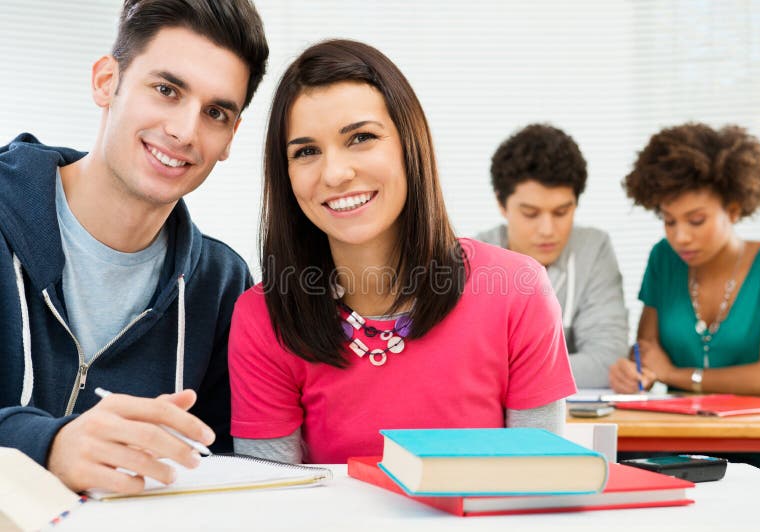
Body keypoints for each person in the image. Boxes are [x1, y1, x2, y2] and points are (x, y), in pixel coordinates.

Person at [228, 39, 576, 464]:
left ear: (410, 144)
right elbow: (272, 496)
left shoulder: (517, 292)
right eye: (306, 151)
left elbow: (539, 482)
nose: (335, 173)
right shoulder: (263, 319)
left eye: (361, 137)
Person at [0, 0, 269, 495]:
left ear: (231, 137)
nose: (184, 131)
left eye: (215, 113)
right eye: (166, 90)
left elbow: (222, 474)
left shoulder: (222, 285)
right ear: (107, 81)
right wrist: (48, 446)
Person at [609, 122, 760, 483]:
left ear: (734, 209)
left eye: (696, 221)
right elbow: (647, 353)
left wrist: (674, 375)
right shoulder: (664, 259)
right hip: (683, 448)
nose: (680, 236)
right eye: (669, 221)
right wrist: (635, 372)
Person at [475, 124, 628, 388]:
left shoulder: (594, 249)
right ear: (501, 203)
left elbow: (606, 363)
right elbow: (465, 367)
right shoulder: (472, 258)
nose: (547, 230)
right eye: (530, 214)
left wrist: (504, 370)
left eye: (561, 212)